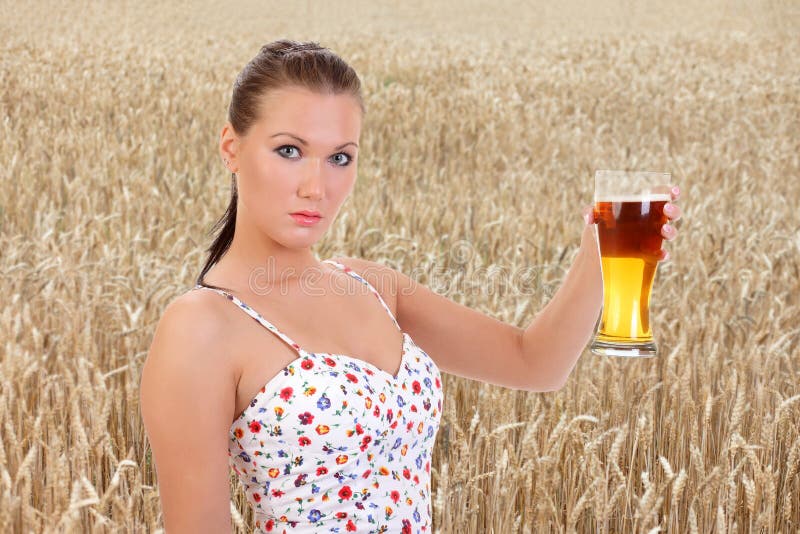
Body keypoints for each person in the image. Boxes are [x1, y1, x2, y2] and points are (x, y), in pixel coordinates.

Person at [139, 39, 682, 534]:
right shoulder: (202, 328)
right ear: (231, 148)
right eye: (288, 150)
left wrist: (600, 251)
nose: (316, 186)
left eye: (340, 158)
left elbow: (534, 363)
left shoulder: (372, 286)